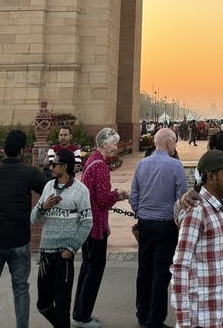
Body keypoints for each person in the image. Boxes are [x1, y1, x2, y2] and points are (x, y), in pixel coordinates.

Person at [0, 128, 48, 328]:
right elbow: (47, 187)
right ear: (23, 151)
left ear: (4, 150)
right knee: (21, 289)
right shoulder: (29, 173)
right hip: (19, 240)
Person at [170, 150, 223, 328]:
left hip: (221, 317)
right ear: (211, 177)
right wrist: (184, 321)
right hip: (201, 319)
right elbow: (180, 268)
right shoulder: (197, 211)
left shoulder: (218, 209)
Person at [130, 127, 187, 328]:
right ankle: (155, 320)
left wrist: (140, 212)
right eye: (175, 144)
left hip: (145, 224)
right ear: (169, 143)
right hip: (165, 226)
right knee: (161, 274)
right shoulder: (175, 166)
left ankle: (142, 314)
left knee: (144, 270)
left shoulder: (141, 164)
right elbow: (181, 199)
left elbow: (134, 195)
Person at [72, 128, 129, 328]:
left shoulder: (91, 162)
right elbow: (103, 200)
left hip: (88, 224)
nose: (116, 147)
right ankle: (83, 315)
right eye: (114, 143)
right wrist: (119, 194)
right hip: (96, 227)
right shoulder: (101, 167)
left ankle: (80, 312)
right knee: (94, 271)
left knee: (87, 268)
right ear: (104, 144)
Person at [32, 148, 93, 328]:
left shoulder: (80, 190)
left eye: (54, 164)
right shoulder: (48, 187)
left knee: (63, 305)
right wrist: (44, 206)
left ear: (65, 167)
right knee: (43, 304)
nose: (51, 167)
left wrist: (71, 249)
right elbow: (34, 219)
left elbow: (87, 223)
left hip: (64, 256)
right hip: (46, 254)